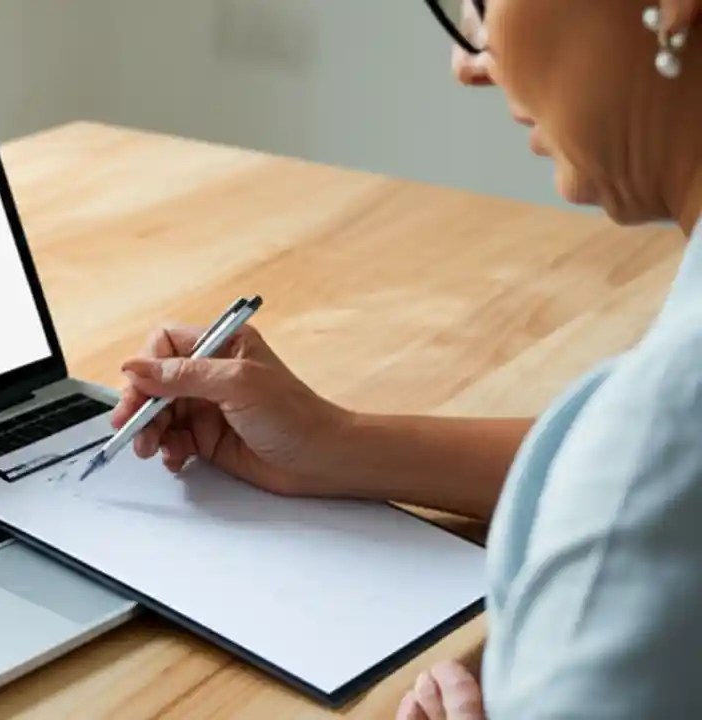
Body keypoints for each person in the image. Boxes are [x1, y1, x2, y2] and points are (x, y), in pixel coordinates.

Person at [111, 1, 702, 718]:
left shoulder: (656, 445)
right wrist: (336, 444)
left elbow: (649, 480)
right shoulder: (651, 442)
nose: (470, 62)